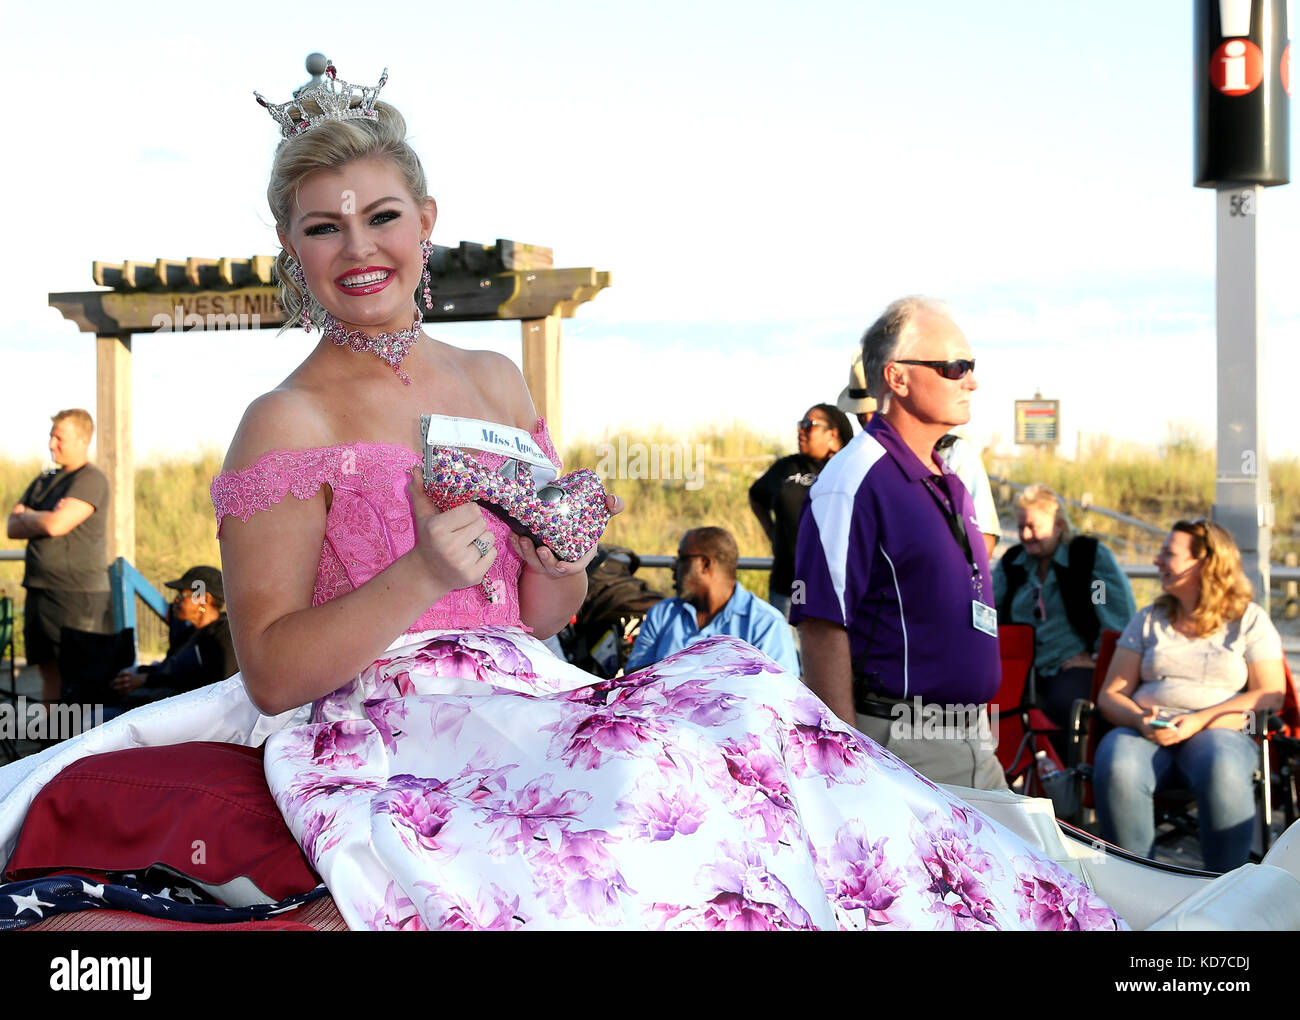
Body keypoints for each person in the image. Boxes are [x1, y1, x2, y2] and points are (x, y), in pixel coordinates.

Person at [0, 71, 1123, 932]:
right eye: (324, 226)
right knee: (633, 811)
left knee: (749, 707)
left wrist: (558, 549)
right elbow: (276, 671)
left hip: (534, 680)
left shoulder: (493, 381)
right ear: (289, 248)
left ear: (425, 220)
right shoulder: (282, 422)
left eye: (382, 217)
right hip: (390, 715)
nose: (360, 249)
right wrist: (420, 575)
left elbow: (542, 611)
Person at [793, 296, 1007, 790]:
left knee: (1045, 864)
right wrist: (849, 774)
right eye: (955, 367)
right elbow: (823, 626)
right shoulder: (854, 478)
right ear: (898, 378)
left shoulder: (947, 475)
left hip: (972, 738)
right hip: (905, 748)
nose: (971, 381)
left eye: (970, 367)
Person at [1093, 520, 1284, 872]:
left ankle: (1223, 891)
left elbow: (1270, 695)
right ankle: (1134, 887)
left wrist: (1199, 720)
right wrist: (1138, 719)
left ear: (1204, 564)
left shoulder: (1248, 620)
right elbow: (1110, 695)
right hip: (1147, 731)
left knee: (1222, 764)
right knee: (1116, 758)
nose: (1156, 560)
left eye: (1168, 553)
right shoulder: (1149, 618)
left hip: (1220, 732)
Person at [994, 484, 1136, 742]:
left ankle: (1064, 776)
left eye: (1033, 527)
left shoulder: (1088, 560)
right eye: (1020, 528)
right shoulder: (1013, 565)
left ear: (1058, 526)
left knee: (1064, 706)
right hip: (1023, 667)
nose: (1026, 535)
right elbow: (993, 612)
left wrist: (1096, 657)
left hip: (1069, 664)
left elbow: (1109, 610)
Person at [840, 351, 1000, 557]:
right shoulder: (854, 464)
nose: (870, 422)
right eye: (862, 415)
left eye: (876, 411)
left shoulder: (955, 455)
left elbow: (984, 543)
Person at [6, 409, 112, 705]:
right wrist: (39, 516)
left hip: (77, 595)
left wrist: (29, 515)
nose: (51, 443)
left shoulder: (91, 478)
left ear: (82, 440)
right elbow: (11, 526)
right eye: (51, 436)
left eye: (59, 437)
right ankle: (52, 743)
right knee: (48, 671)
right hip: (39, 590)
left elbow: (57, 525)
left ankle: (81, 746)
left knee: (79, 676)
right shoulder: (45, 478)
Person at [625, 527, 798, 674]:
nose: (673, 567)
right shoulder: (662, 613)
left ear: (705, 564)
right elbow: (633, 679)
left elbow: (782, 695)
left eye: (681, 559)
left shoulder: (766, 623)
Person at [748, 404, 853, 619]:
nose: (800, 431)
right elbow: (756, 496)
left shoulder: (850, 468)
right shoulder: (787, 467)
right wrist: (771, 531)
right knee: (788, 648)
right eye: (800, 425)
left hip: (838, 585)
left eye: (809, 426)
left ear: (832, 434)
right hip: (789, 583)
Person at [111, 566, 238, 704]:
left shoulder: (223, 635)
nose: (176, 600)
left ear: (204, 599)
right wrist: (137, 673)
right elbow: (168, 668)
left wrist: (146, 680)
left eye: (182, 595)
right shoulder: (188, 634)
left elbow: (215, 684)